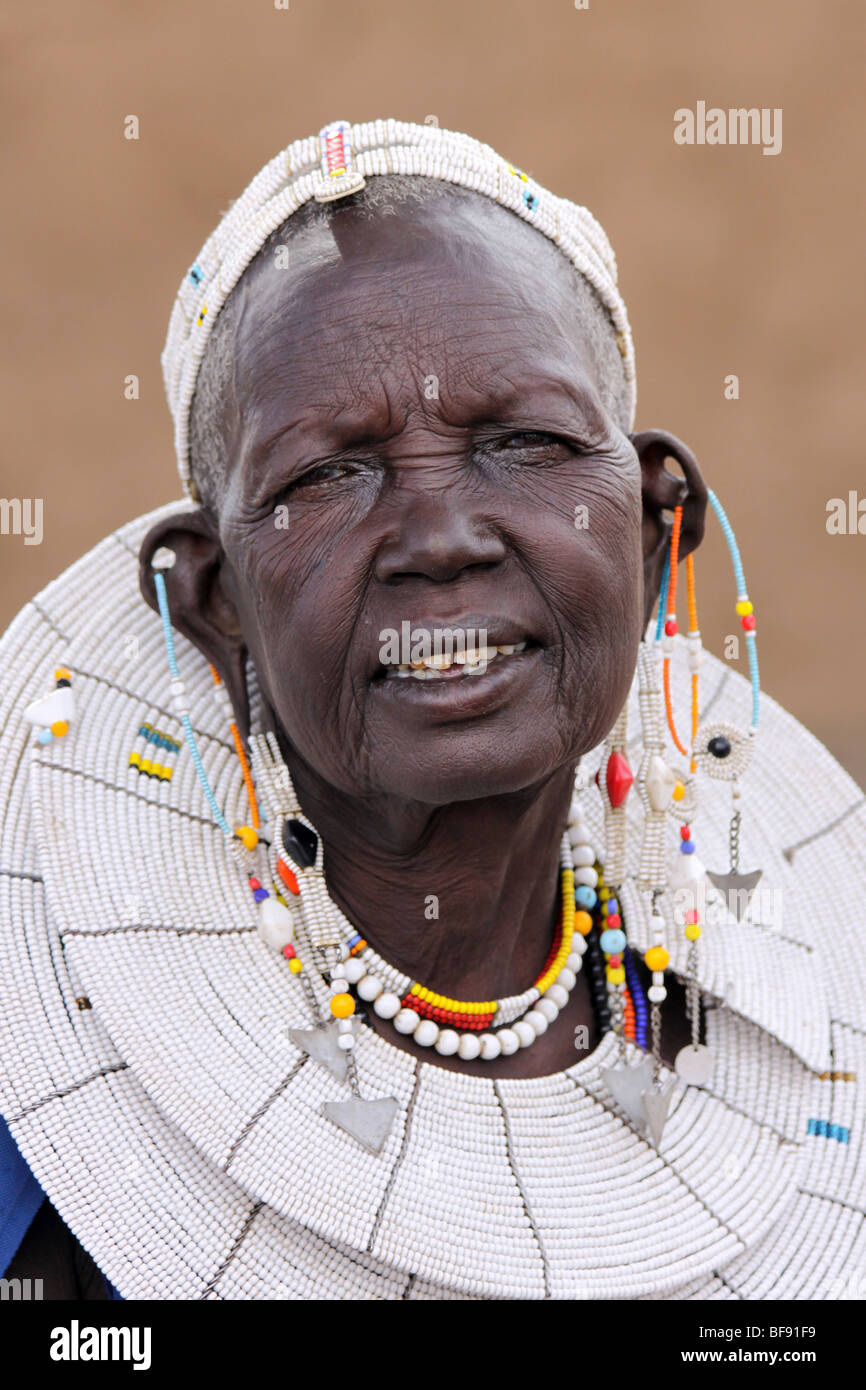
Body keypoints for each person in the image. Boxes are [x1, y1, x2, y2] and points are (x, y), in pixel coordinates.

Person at [0, 120, 863, 1301]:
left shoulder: (821, 1056)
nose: (441, 538)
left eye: (525, 442)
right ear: (213, 598)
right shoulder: (36, 1150)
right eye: (327, 476)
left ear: (657, 528)